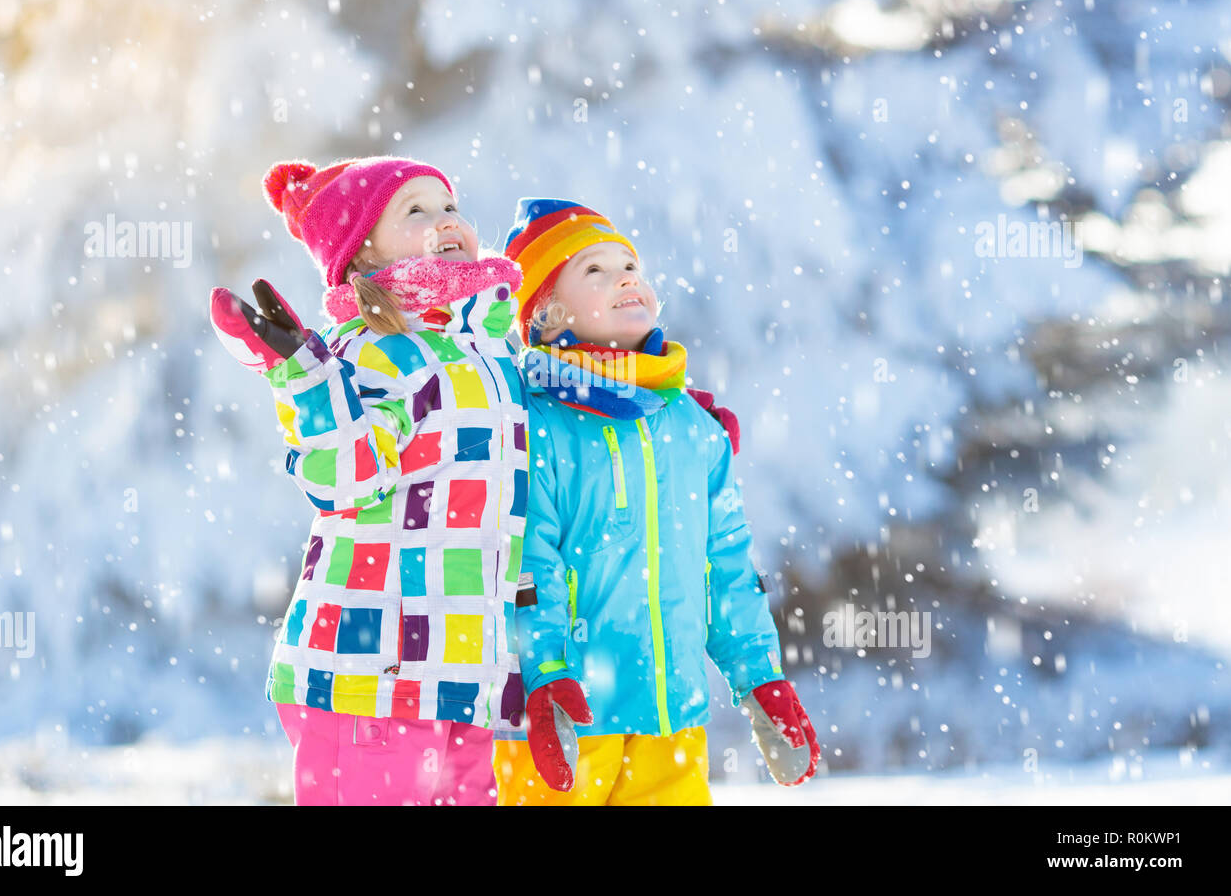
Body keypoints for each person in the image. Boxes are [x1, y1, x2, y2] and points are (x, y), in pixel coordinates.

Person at [209, 157, 528, 805]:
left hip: (470, 676)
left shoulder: (488, 353)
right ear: (362, 253)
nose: (447, 221)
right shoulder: (371, 349)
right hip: (374, 676)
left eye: (450, 206)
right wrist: (303, 374)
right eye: (417, 211)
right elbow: (345, 477)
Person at [492, 198, 820, 805]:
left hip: (671, 719)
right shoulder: (532, 424)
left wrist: (761, 677)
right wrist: (544, 675)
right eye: (593, 270)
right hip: (559, 718)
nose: (625, 277)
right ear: (545, 311)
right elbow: (522, 565)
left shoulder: (695, 427)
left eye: (630, 265)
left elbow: (727, 565)